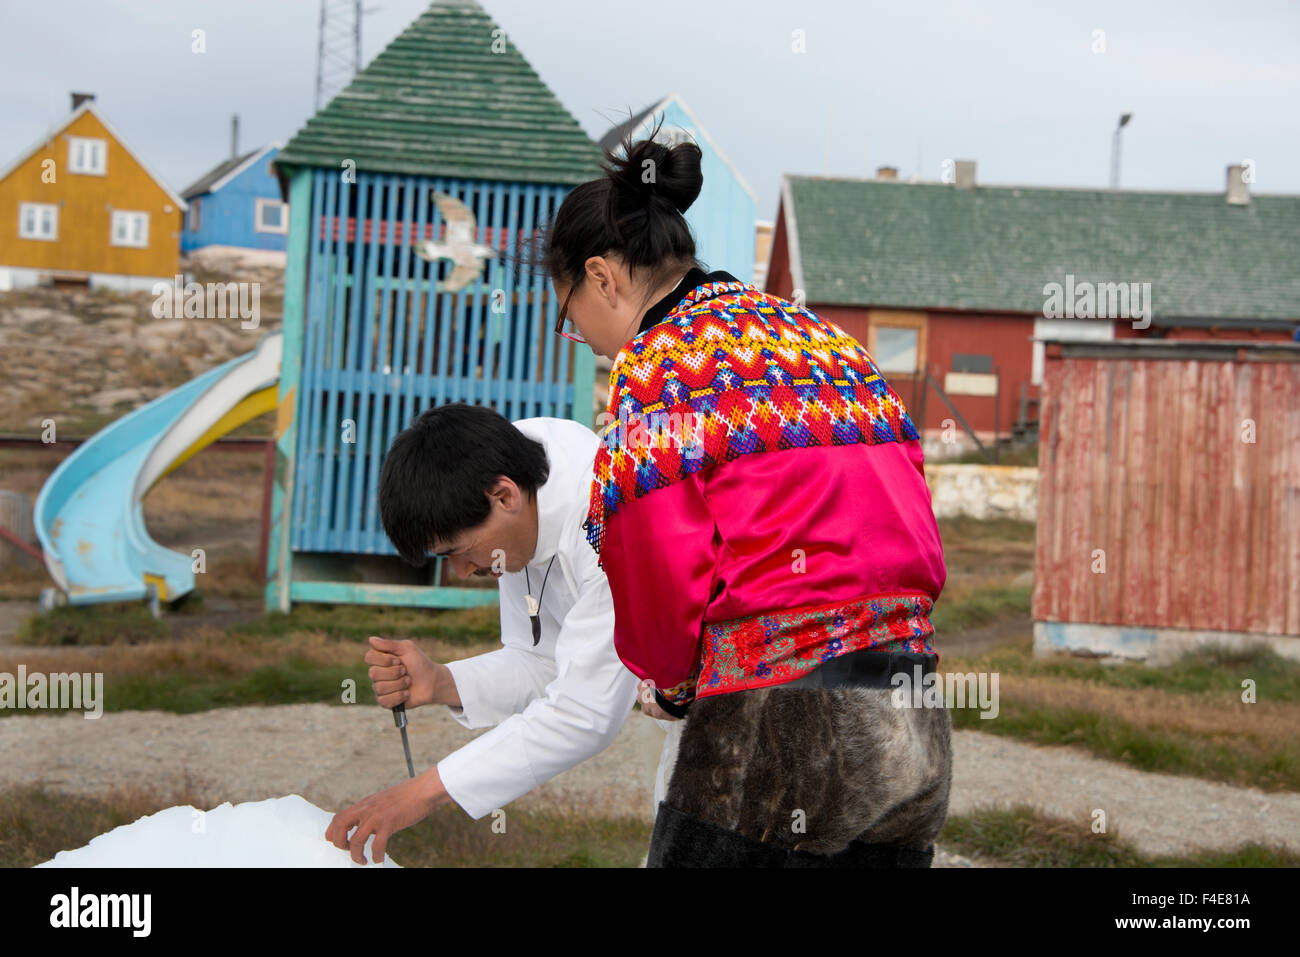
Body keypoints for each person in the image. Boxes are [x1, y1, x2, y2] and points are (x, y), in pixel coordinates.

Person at [531, 115, 952, 867]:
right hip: (910, 717)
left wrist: (672, 681)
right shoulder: (820, 338)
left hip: (775, 729)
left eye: (572, 317)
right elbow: (906, 504)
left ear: (602, 276)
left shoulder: (659, 367)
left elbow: (658, 566)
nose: (586, 338)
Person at [325, 405, 639, 864]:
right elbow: (543, 661)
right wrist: (440, 681)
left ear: (504, 496)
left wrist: (425, 792)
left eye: (459, 551)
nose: (462, 570)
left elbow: (584, 711)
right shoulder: (513, 492)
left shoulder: (610, 519)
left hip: (749, 688)